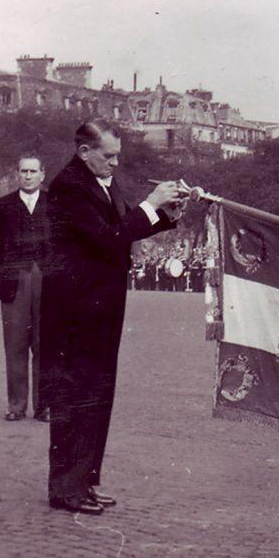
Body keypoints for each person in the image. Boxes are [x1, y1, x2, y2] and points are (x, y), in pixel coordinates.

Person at [40, 120, 186, 515]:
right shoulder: (69, 186)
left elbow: (121, 229)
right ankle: (66, 488)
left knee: (98, 394)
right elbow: (107, 237)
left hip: (101, 307)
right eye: (108, 155)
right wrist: (151, 204)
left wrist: (166, 214)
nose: (114, 163)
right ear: (84, 151)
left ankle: (86, 481)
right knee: (75, 396)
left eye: (117, 155)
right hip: (76, 311)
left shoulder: (98, 180)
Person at [0, 154, 50, 423]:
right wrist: (15, 269)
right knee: (14, 345)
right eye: (23, 171)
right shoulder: (2, 205)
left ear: (42, 174)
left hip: (46, 281)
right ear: (18, 173)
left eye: (32, 171)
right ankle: (16, 405)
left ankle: (44, 406)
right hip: (15, 281)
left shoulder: (55, 204)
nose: (28, 175)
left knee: (45, 345)